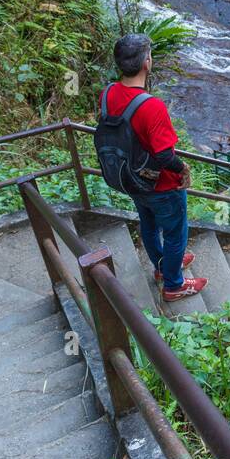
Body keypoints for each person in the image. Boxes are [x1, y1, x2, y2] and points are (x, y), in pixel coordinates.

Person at [94, 34, 208, 303]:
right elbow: (164, 155)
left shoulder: (108, 93)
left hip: (130, 177)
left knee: (148, 222)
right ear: (147, 62)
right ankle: (173, 284)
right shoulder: (151, 106)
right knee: (175, 232)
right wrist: (184, 170)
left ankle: (162, 266)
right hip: (160, 185)